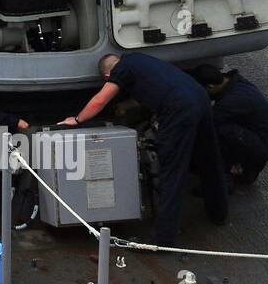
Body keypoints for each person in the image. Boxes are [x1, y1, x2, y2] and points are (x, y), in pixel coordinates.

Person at [60, 53, 227, 246]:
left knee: (172, 173)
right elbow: (153, 88)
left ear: (107, 76)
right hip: (199, 97)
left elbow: (100, 100)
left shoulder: (120, 71)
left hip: (179, 110)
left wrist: (78, 119)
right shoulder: (137, 59)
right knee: (209, 158)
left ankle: (163, 239)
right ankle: (218, 212)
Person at [190, 65, 268, 185]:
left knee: (217, 131)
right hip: (257, 136)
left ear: (211, 86)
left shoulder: (233, 100)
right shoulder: (235, 83)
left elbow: (206, 121)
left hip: (265, 145)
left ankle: (222, 181)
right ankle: (245, 169)